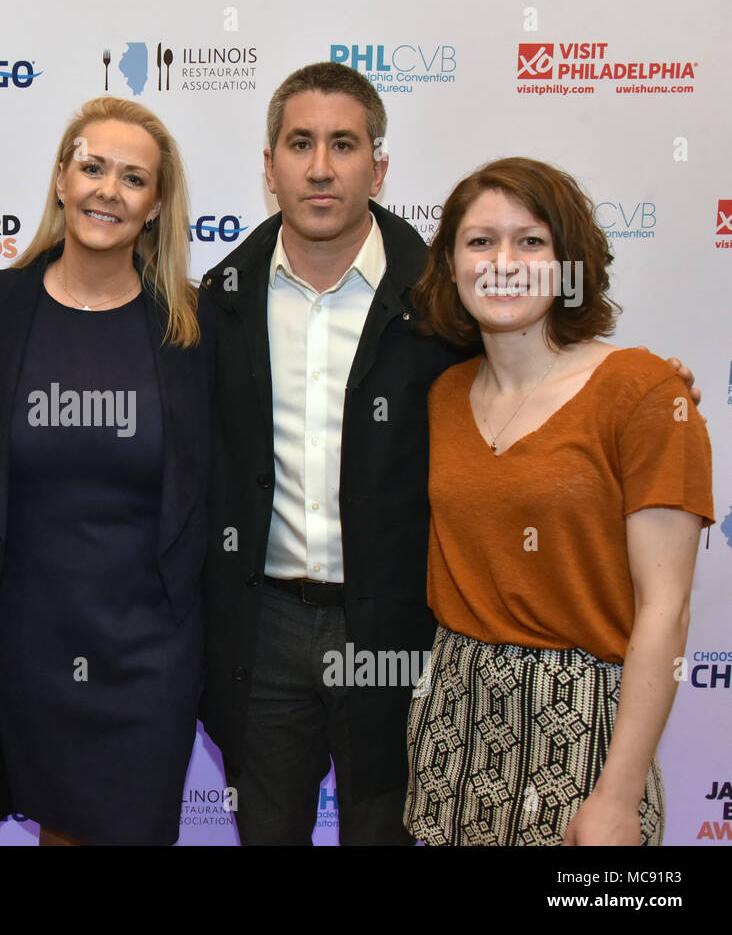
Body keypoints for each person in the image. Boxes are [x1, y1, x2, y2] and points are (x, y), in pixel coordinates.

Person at [196, 64, 699, 845]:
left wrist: (651, 390)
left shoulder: (436, 297)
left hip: (405, 638)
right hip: (266, 632)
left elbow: (550, 359)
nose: (321, 166)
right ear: (270, 167)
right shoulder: (218, 297)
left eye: (344, 144)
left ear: (379, 167)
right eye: (300, 144)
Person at [404, 157, 712, 845]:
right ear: (450, 264)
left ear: (569, 261)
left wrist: (619, 796)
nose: (503, 261)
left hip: (589, 730)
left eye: (531, 241)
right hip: (456, 716)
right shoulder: (444, 396)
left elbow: (668, 610)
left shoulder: (644, 392)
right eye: (480, 242)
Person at [0, 97, 213, 845]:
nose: (108, 190)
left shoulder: (191, 326)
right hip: (32, 640)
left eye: (134, 179)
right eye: (93, 167)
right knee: (59, 831)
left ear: (157, 204)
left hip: (151, 650)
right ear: (62, 178)